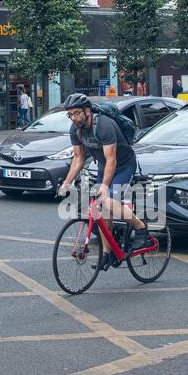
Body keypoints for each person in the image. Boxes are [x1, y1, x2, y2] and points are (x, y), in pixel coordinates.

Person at [55, 93, 149, 257]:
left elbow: (112, 159)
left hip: (123, 165)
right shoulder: (76, 130)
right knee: (99, 208)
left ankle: (140, 227)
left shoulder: (104, 125)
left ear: (87, 111)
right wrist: (67, 182)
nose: (73, 118)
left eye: (77, 113)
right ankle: (107, 252)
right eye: (70, 114)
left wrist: (104, 187)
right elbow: (78, 158)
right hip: (104, 167)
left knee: (109, 202)